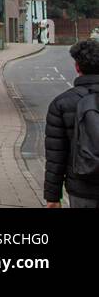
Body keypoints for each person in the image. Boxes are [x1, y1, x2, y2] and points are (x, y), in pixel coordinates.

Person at [43, 39, 99, 208]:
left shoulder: (61, 103)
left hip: (82, 188)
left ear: (77, 67)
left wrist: (52, 197)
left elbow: (56, 155)